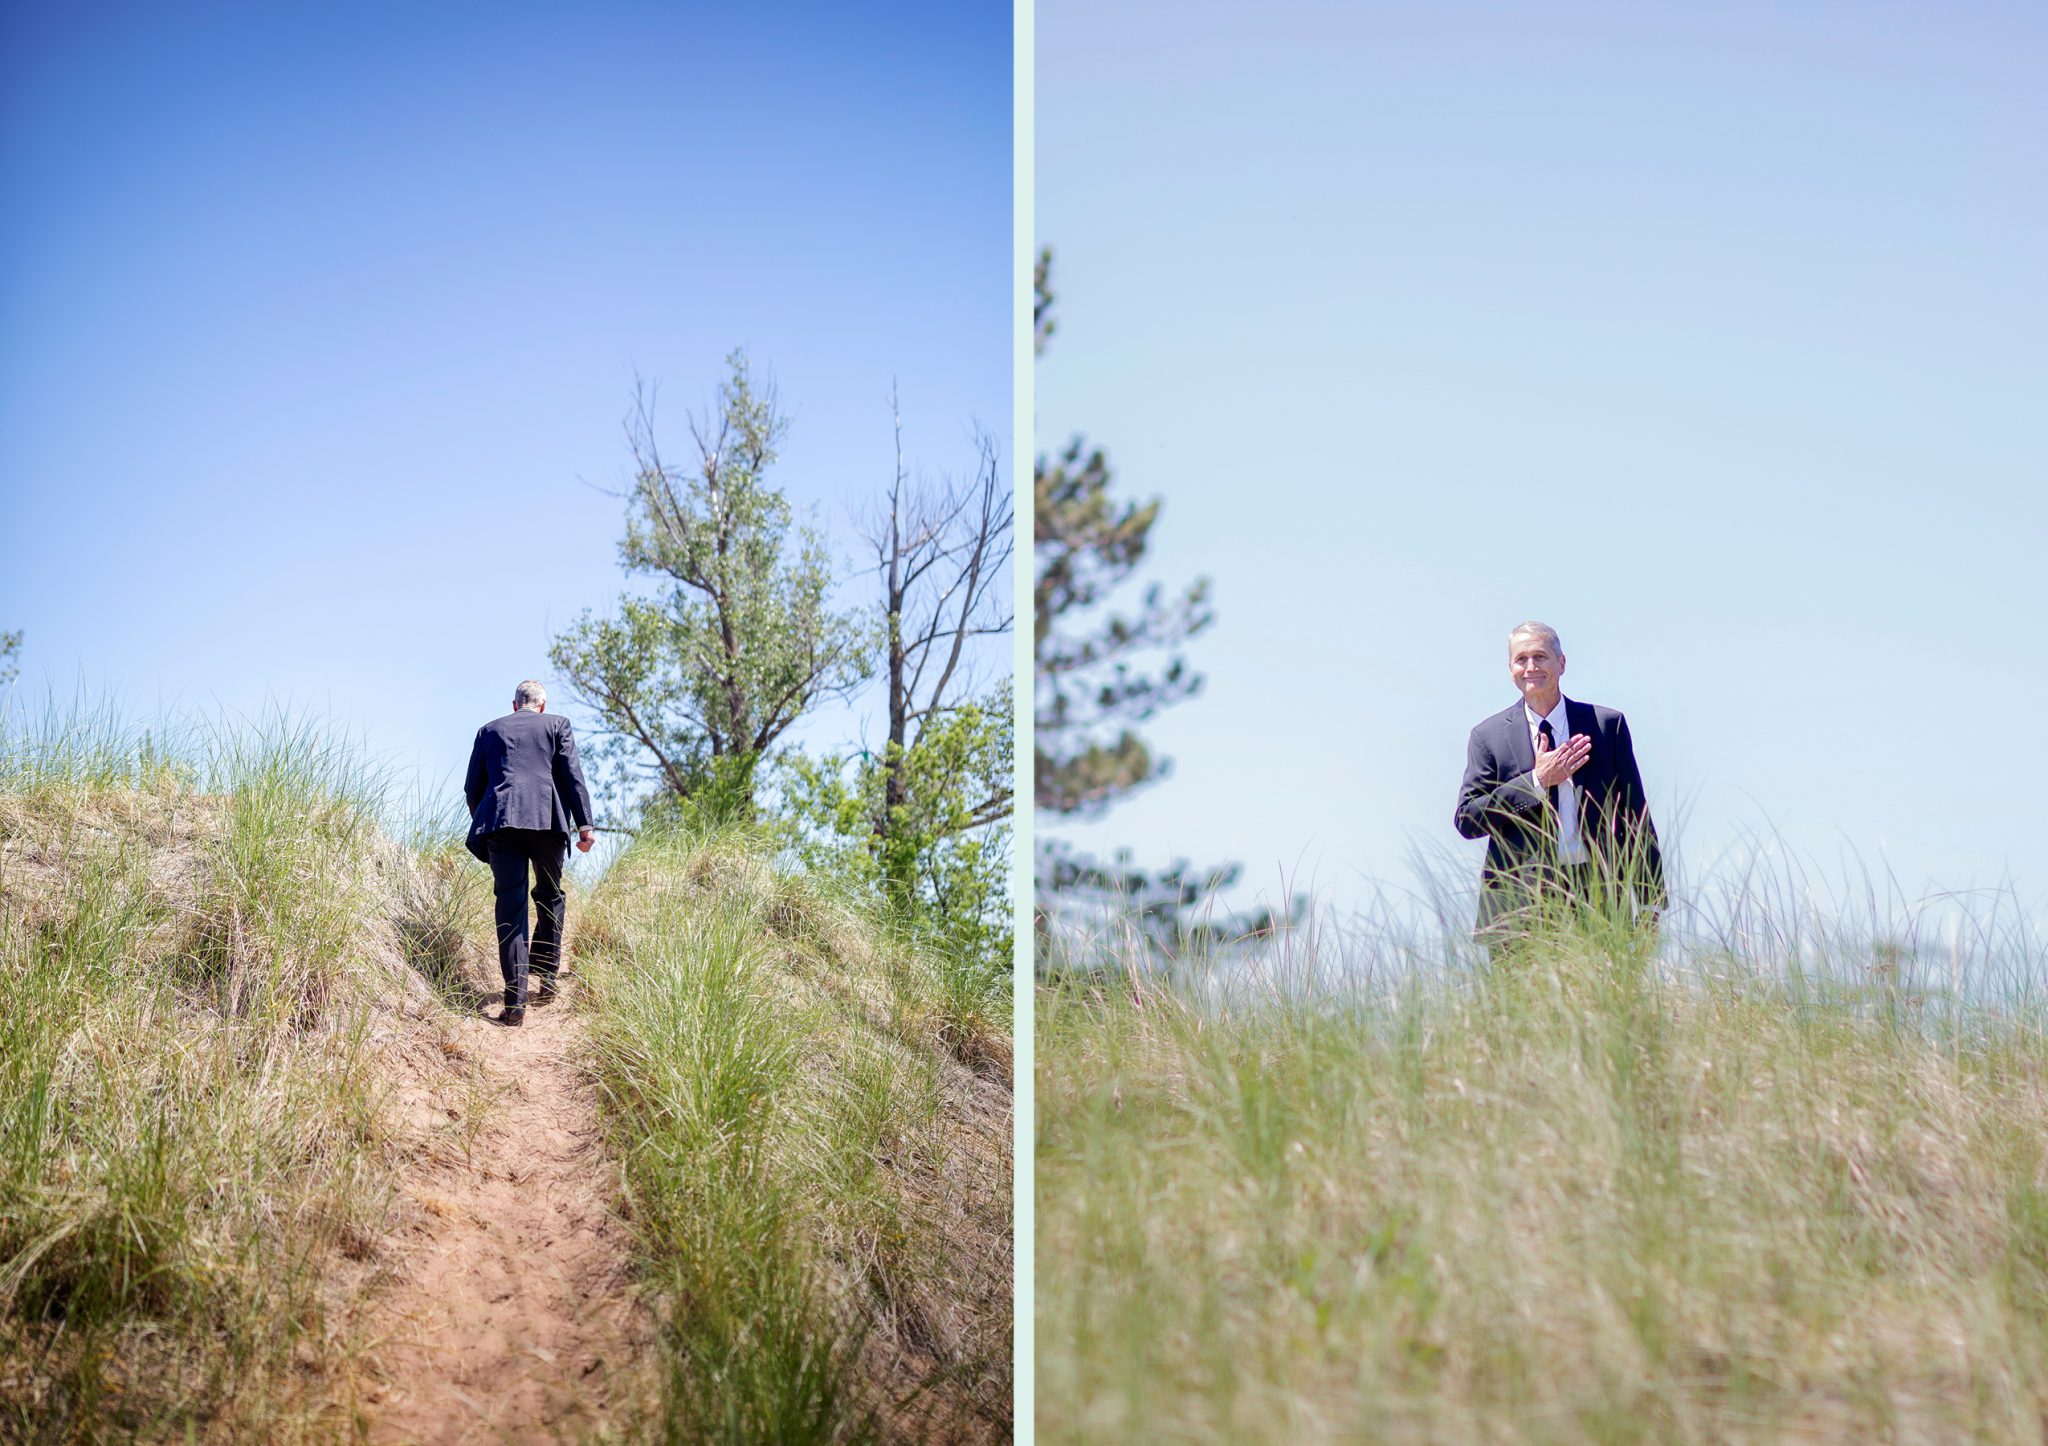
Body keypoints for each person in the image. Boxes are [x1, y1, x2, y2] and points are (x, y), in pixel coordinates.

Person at [1453, 622, 1664, 950]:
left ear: (1561, 663)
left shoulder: (1606, 726)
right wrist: (1536, 782)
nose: (1530, 667)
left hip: (1599, 900)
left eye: (1540, 656)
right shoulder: (1488, 737)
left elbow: (1635, 816)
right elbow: (1468, 819)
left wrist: (1650, 902)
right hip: (1518, 909)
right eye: (1521, 659)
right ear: (1510, 670)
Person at [464, 680, 596, 1024]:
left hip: (502, 826)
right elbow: (572, 776)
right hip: (547, 823)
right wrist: (584, 826)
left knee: (511, 906)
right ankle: (548, 977)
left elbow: (472, 788)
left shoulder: (488, 731)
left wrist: (487, 820)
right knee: (550, 895)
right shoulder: (557, 725)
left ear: (514, 705)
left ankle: (515, 1004)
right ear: (542, 705)